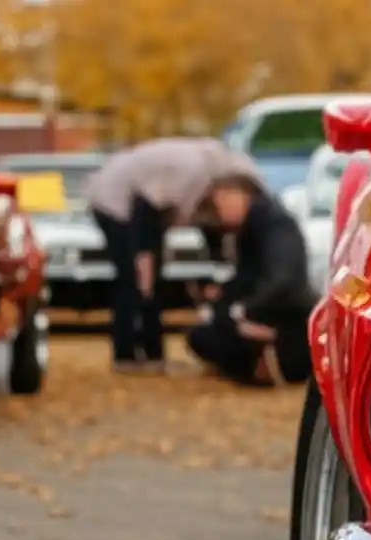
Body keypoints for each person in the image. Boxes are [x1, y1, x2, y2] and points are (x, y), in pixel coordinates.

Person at [85, 138, 262, 372]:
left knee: (153, 282)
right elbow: (145, 206)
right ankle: (125, 353)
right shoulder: (192, 171)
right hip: (115, 202)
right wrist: (144, 255)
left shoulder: (205, 172)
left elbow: (199, 223)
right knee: (132, 279)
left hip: (142, 209)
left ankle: (153, 352)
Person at [186, 175, 317, 386]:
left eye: (221, 204)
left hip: (286, 320)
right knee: (204, 333)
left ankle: (265, 362)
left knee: (213, 334)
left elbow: (284, 281)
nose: (220, 213)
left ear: (239, 197)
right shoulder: (253, 230)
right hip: (270, 310)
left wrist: (246, 311)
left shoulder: (275, 227)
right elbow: (249, 277)